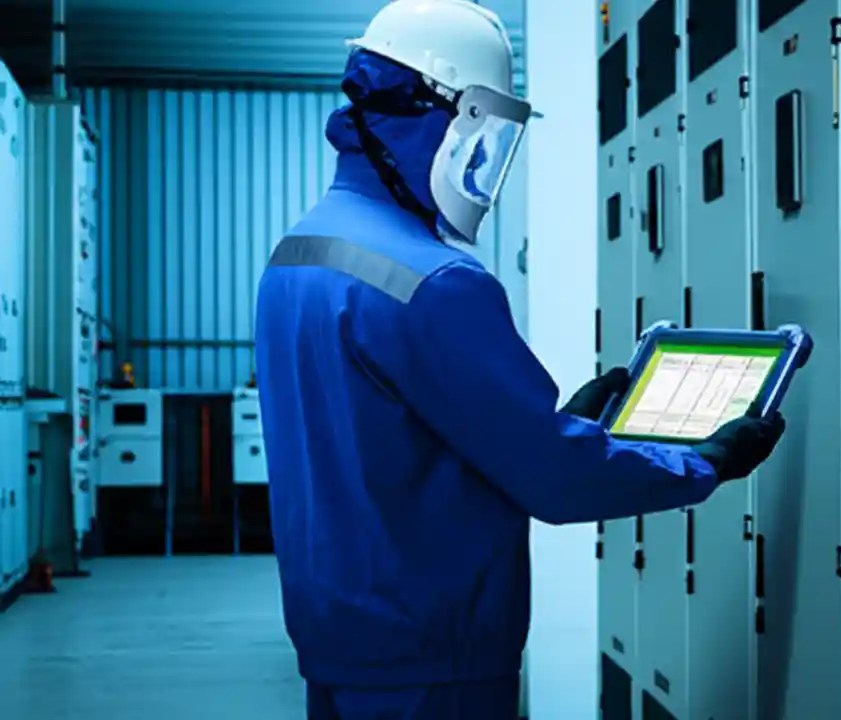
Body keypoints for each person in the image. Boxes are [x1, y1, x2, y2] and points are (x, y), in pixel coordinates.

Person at [253, 2, 787, 718]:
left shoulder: (298, 254)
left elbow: (391, 442)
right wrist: (705, 462)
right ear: (453, 116)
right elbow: (559, 484)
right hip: (434, 659)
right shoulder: (436, 282)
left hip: (342, 646)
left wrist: (551, 427)